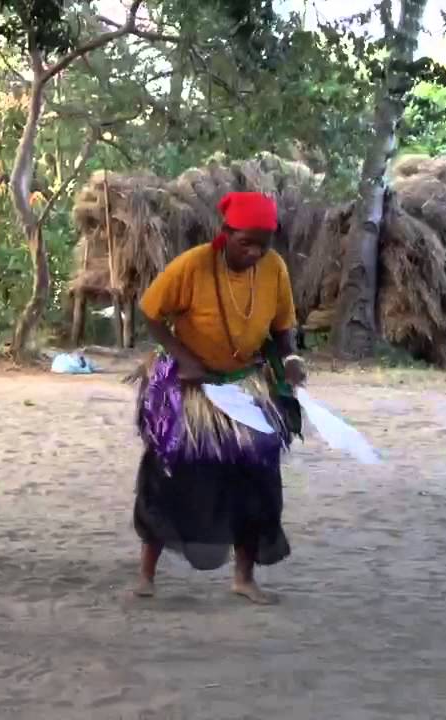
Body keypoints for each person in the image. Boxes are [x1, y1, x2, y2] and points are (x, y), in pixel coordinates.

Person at [132, 191, 306, 605]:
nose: (256, 252)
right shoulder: (193, 265)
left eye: (264, 244)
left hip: (244, 386)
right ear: (224, 233)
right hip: (191, 389)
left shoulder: (274, 269)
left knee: (256, 479)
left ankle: (243, 578)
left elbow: (283, 327)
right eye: (246, 242)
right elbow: (151, 313)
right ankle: (146, 574)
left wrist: (291, 358)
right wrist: (184, 358)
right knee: (170, 472)